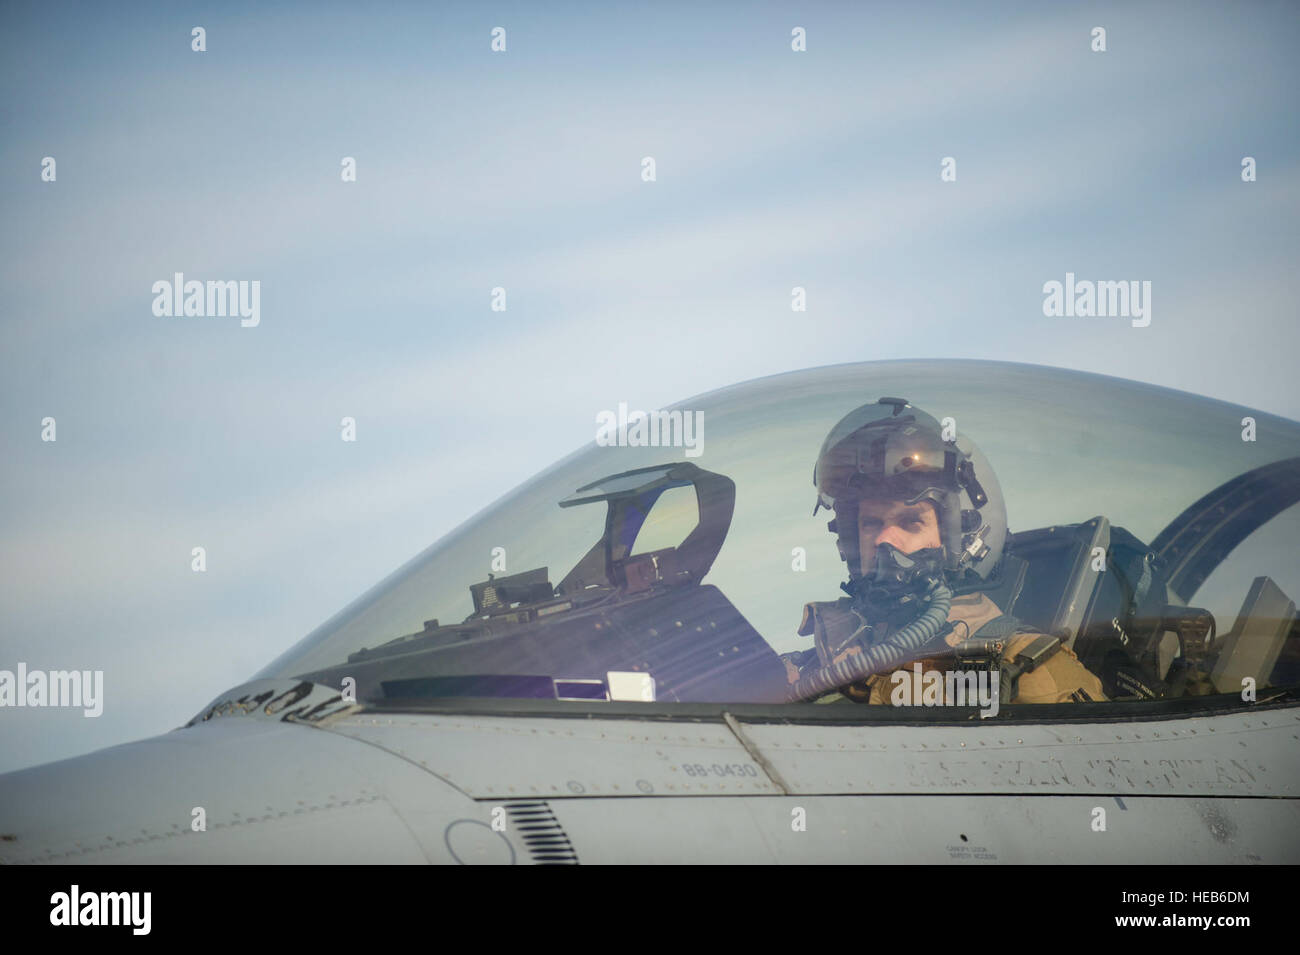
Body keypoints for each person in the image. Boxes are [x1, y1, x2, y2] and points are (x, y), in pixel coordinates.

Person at [783, 397, 1105, 706]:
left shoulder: (1023, 670)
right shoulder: (823, 661)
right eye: (870, 523)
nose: (885, 540)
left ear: (956, 540)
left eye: (910, 521)